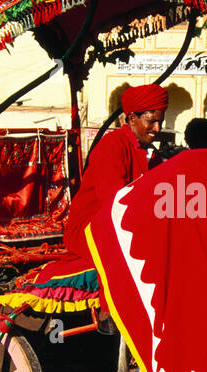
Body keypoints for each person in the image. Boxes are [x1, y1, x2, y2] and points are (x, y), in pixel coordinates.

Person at [63, 83, 166, 259]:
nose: (157, 129)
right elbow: (115, 203)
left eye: (160, 121)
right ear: (132, 118)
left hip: (127, 224)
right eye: (152, 121)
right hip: (92, 229)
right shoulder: (112, 145)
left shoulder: (151, 153)